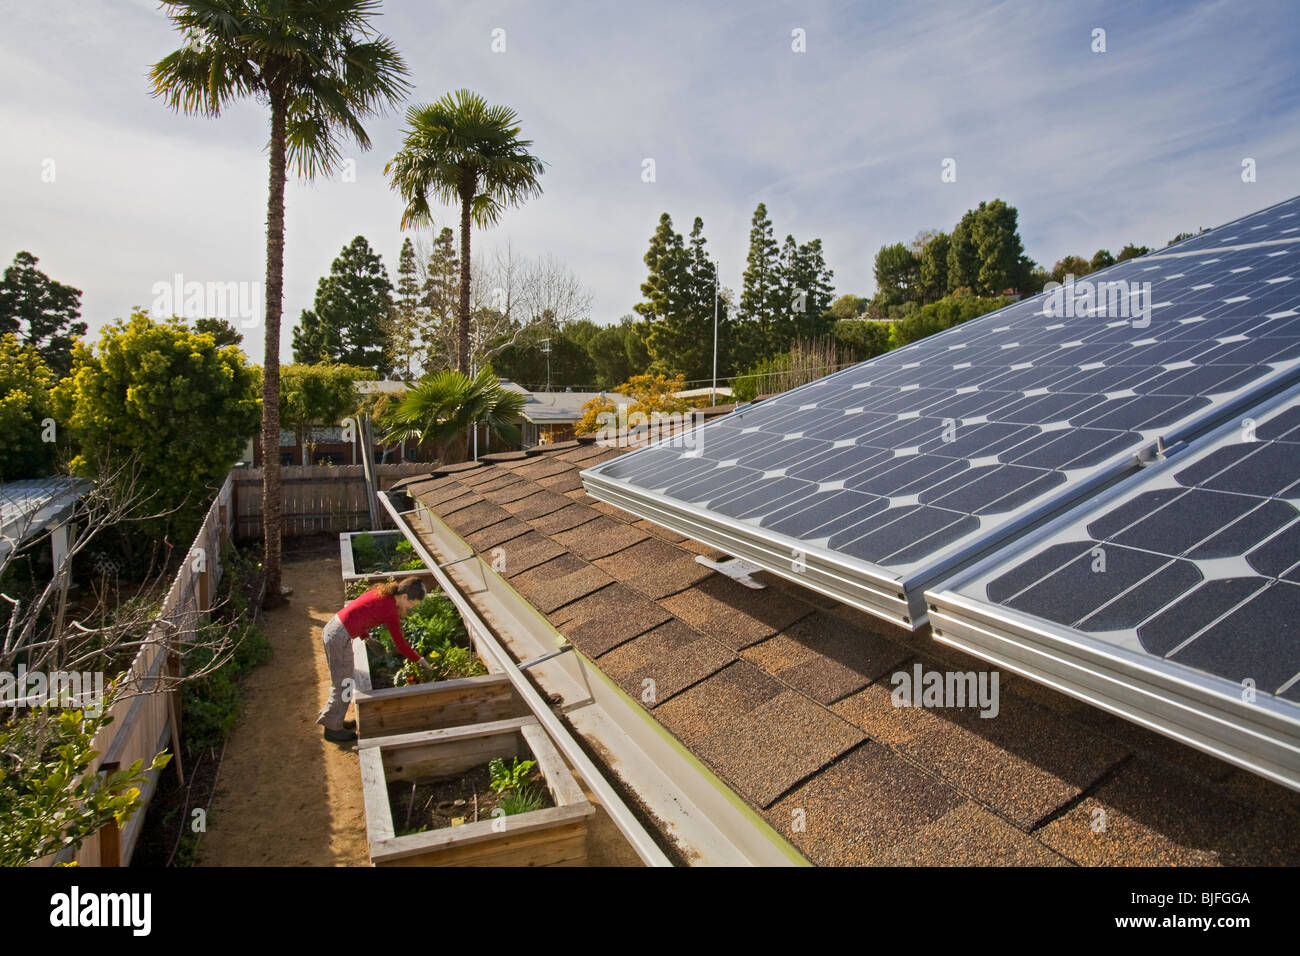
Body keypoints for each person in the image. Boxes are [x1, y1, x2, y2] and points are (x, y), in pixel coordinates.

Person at [317, 576, 432, 743]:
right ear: (405, 597)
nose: (410, 608)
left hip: (337, 630)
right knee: (344, 682)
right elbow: (400, 644)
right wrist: (421, 660)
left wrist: (367, 638)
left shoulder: (383, 593)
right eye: (411, 604)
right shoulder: (390, 609)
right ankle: (332, 729)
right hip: (338, 637)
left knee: (345, 680)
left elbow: (358, 612)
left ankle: (335, 720)